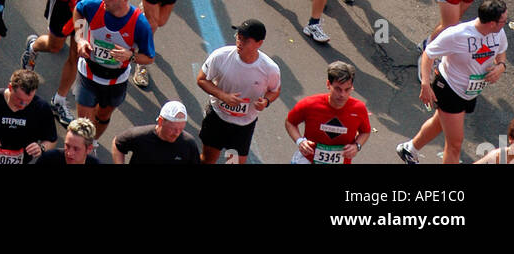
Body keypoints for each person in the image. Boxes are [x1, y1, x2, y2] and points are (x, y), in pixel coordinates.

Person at [398, 0, 508, 166]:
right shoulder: (458, 34)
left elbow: (501, 52)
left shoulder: (498, 32)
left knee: (440, 123)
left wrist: (501, 66)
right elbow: (429, 53)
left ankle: (409, 149)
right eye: (503, 20)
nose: (505, 23)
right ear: (492, 23)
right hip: (449, 89)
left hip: (470, 92)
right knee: (455, 144)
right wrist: (425, 84)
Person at [73, 0, 154, 137]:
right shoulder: (94, 5)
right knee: (83, 123)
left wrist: (130, 56)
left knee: (102, 116)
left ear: (124, 0)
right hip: (88, 72)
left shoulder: (140, 24)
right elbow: (78, 10)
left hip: (116, 80)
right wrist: (80, 38)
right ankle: (83, 146)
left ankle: (93, 143)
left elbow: (149, 58)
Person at [197, 20, 282, 164]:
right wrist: (223, 96)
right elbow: (202, 79)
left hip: (243, 127)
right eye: (238, 37)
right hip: (217, 118)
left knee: (234, 163)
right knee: (207, 160)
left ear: (259, 43)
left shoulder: (270, 69)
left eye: (245, 40)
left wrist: (266, 101)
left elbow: (275, 90)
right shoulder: (220, 56)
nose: (239, 42)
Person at [0, 68, 56, 165]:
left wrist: (41, 148)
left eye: (28, 100)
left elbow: (51, 139)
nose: (23, 104)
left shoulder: (41, 108)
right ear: (10, 87)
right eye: (19, 99)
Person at [286, 61, 371, 164]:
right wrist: (300, 141)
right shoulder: (310, 104)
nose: (342, 95)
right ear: (328, 84)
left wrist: (357, 146)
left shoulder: (359, 109)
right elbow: (290, 122)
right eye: (338, 89)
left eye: (347, 89)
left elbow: (365, 131)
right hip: (307, 160)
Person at [112, 101, 200, 165]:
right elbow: (118, 143)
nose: (177, 133)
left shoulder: (189, 144)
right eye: (173, 129)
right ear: (161, 121)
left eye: (181, 129)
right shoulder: (141, 136)